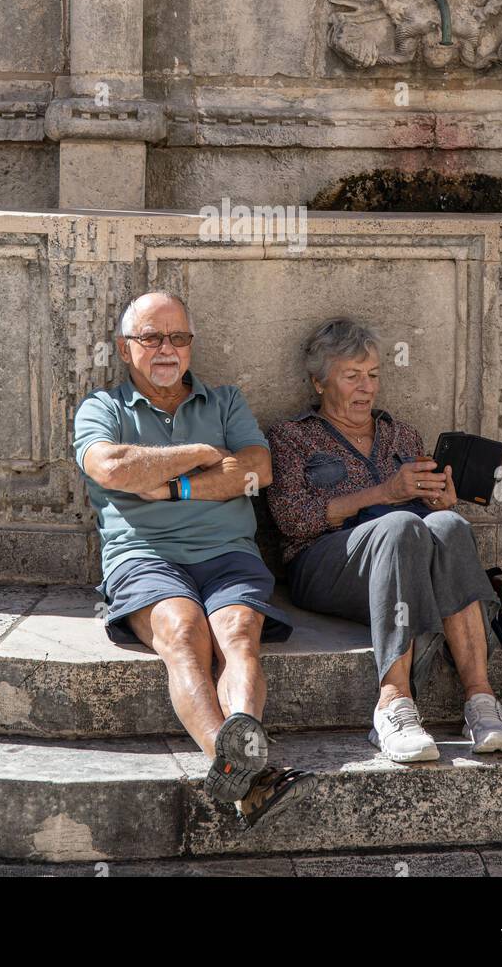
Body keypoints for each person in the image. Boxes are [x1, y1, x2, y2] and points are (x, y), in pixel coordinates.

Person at [73, 290, 315, 827]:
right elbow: (113, 468)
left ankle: (242, 772)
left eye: (178, 338)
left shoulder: (225, 401)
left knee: (235, 636)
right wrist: (204, 455)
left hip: (228, 554)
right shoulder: (102, 408)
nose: (167, 349)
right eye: (152, 337)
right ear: (124, 347)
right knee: (183, 633)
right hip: (144, 556)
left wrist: (173, 487)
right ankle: (238, 771)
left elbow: (257, 470)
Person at [266, 316, 502, 763]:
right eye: (352, 376)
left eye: (374, 375)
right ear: (320, 383)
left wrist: (441, 503)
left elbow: (427, 517)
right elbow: (291, 519)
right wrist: (385, 494)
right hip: (327, 562)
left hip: (407, 558)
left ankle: (480, 699)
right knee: (398, 525)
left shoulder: (401, 434)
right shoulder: (291, 437)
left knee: (450, 526)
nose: (367, 387)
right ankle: (393, 705)